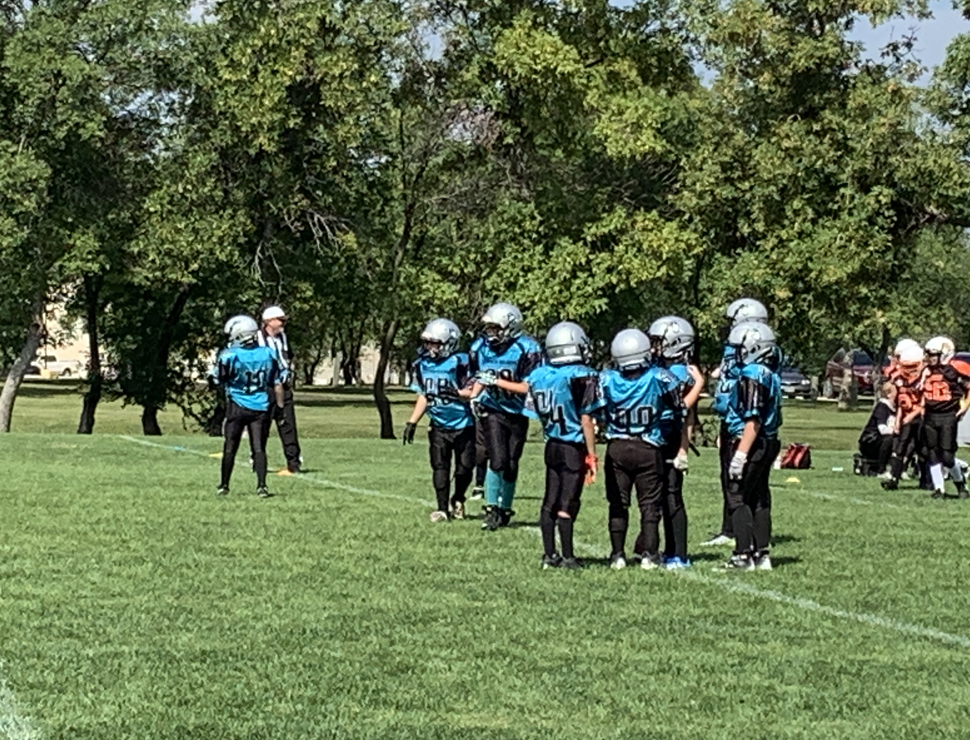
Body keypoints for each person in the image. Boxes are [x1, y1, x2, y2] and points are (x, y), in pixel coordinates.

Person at [513, 322, 604, 569]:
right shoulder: (581, 375)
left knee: (549, 500)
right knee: (568, 502)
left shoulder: (539, 375)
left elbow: (535, 409)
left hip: (551, 443)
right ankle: (568, 557)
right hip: (572, 446)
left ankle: (548, 555)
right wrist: (592, 455)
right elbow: (586, 419)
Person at [598, 328, 682, 570]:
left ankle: (617, 555)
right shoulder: (659, 376)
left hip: (617, 446)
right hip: (648, 445)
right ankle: (649, 555)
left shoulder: (607, 378)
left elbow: (596, 408)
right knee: (649, 505)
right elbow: (678, 408)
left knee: (618, 503)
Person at [468, 303, 544, 530]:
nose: (490, 333)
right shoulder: (480, 348)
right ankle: (491, 508)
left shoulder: (527, 348)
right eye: (488, 328)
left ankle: (505, 507)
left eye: (495, 327)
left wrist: (497, 382)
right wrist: (474, 396)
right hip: (492, 409)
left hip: (518, 411)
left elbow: (528, 387)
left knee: (511, 463)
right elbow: (479, 377)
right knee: (498, 459)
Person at [704, 298, 770, 547]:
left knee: (743, 488)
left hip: (746, 423)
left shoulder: (761, 355)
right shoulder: (733, 349)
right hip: (731, 419)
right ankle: (731, 529)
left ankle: (744, 539)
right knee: (729, 480)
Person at [644, 316, 705, 569]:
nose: (653, 346)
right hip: (658, 436)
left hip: (667, 436)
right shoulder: (661, 369)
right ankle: (654, 547)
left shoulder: (680, 373)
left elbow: (683, 413)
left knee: (671, 495)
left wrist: (682, 448)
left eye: (658, 341)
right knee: (656, 496)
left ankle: (677, 552)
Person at [722, 320, 782, 571]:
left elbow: (752, 420)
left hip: (751, 441)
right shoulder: (771, 374)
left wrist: (740, 455)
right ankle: (761, 553)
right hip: (769, 441)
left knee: (737, 496)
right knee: (759, 498)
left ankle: (743, 554)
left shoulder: (752, 374)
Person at [403, 318, 476, 521]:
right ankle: (442, 508)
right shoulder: (422, 364)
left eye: (435, 343)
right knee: (440, 466)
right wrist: (412, 422)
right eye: (428, 343)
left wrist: (459, 393)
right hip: (438, 424)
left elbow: (475, 390)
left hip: (464, 423)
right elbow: (424, 394)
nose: (430, 347)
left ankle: (458, 498)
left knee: (465, 467)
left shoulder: (461, 361)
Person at [209, 315, 284, 498]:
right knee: (258, 448)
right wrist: (280, 407)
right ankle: (262, 486)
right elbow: (277, 379)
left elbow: (217, 378)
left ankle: (224, 484)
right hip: (260, 405)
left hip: (237, 404)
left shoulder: (229, 355)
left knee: (230, 446)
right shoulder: (267, 353)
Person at [920, 336, 970, 499]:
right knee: (933, 453)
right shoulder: (926, 370)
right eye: (929, 354)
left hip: (948, 415)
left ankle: (960, 483)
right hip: (930, 415)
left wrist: (965, 405)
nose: (930, 358)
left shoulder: (955, 369)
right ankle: (939, 489)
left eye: (934, 354)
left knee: (947, 456)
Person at [258, 305, 303, 474]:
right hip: (265, 388)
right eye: (280, 320)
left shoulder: (283, 337)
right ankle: (258, 459)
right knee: (262, 425)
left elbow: (288, 357)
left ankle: (293, 463)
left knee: (288, 423)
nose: (284, 323)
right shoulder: (257, 339)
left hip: (283, 387)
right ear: (269, 321)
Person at [881, 341, 925, 491]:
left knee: (923, 449)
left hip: (921, 417)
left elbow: (925, 403)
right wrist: (898, 420)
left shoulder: (926, 377)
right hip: (906, 415)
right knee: (900, 447)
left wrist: (912, 415)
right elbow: (901, 401)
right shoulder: (898, 377)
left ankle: (927, 480)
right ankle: (894, 476)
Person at [857, 382, 897, 477]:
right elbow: (882, 429)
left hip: (880, 440)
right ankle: (881, 470)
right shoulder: (882, 407)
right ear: (889, 394)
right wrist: (896, 430)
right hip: (870, 442)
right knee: (890, 439)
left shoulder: (895, 408)